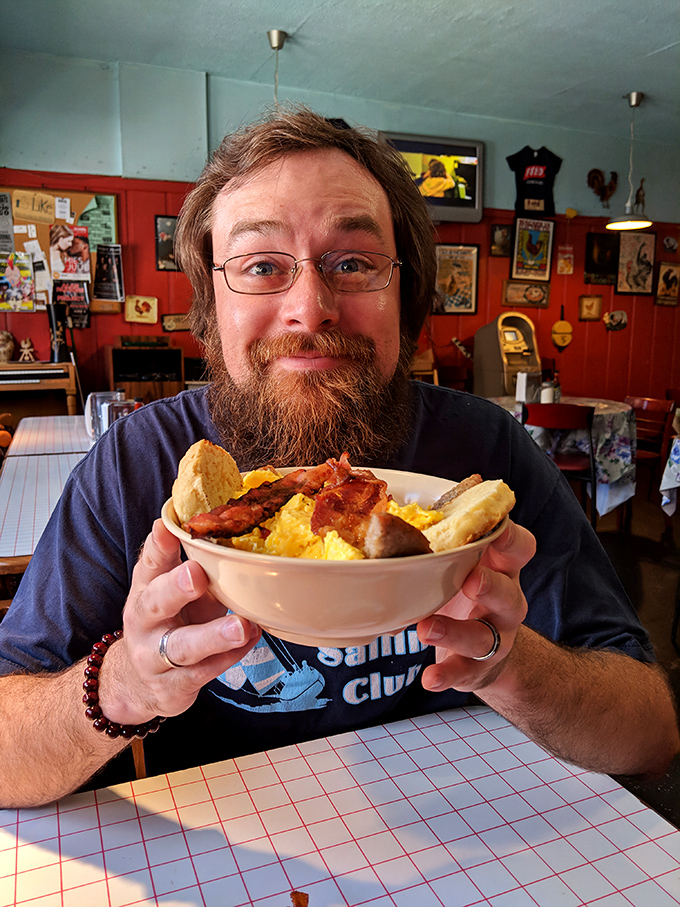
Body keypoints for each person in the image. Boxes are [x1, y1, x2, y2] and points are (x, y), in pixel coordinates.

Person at [0, 107, 677, 808]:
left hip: (461, 829)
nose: (310, 307)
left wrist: (511, 666)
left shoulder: (486, 452)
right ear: (210, 308)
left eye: (353, 263)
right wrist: (126, 685)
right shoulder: (139, 463)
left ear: (406, 297)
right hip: (229, 839)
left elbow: (650, 734)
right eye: (262, 266)